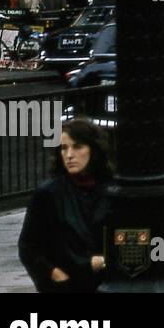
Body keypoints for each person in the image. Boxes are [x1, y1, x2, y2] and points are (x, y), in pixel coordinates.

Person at [19, 118, 111, 293]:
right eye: (64, 148)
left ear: (93, 149)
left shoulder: (111, 190)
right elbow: (28, 247)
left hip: (104, 284)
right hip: (67, 286)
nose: (69, 155)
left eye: (77, 147)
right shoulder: (48, 194)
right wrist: (53, 273)